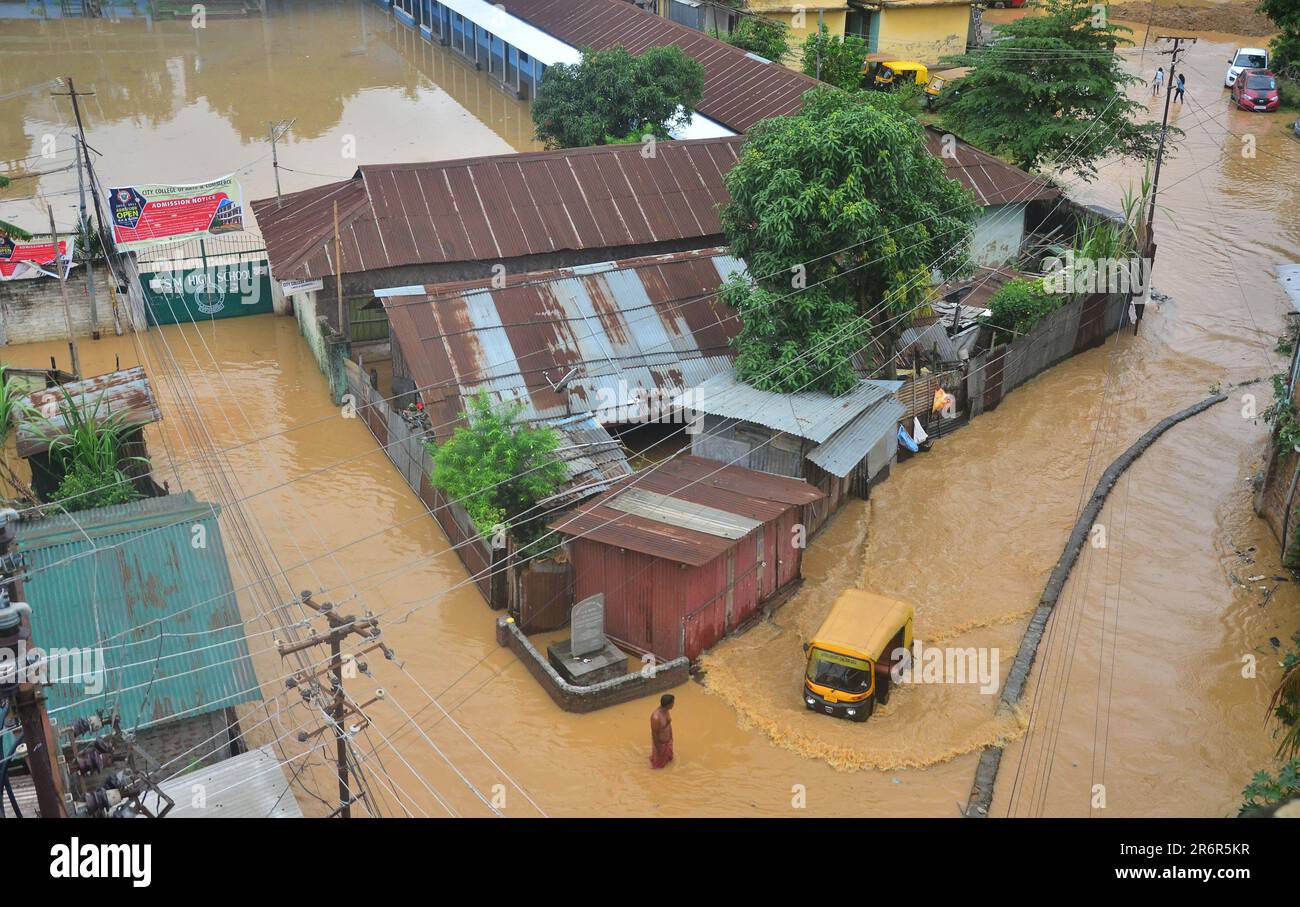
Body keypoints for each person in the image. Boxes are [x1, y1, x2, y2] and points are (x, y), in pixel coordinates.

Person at [650, 694, 674, 769]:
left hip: (668, 741)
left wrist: (671, 737)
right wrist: (659, 749)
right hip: (661, 744)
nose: (674, 704)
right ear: (669, 704)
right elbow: (654, 734)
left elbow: (667, 725)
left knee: (669, 760)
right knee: (658, 767)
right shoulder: (656, 717)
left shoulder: (666, 711)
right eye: (673, 702)